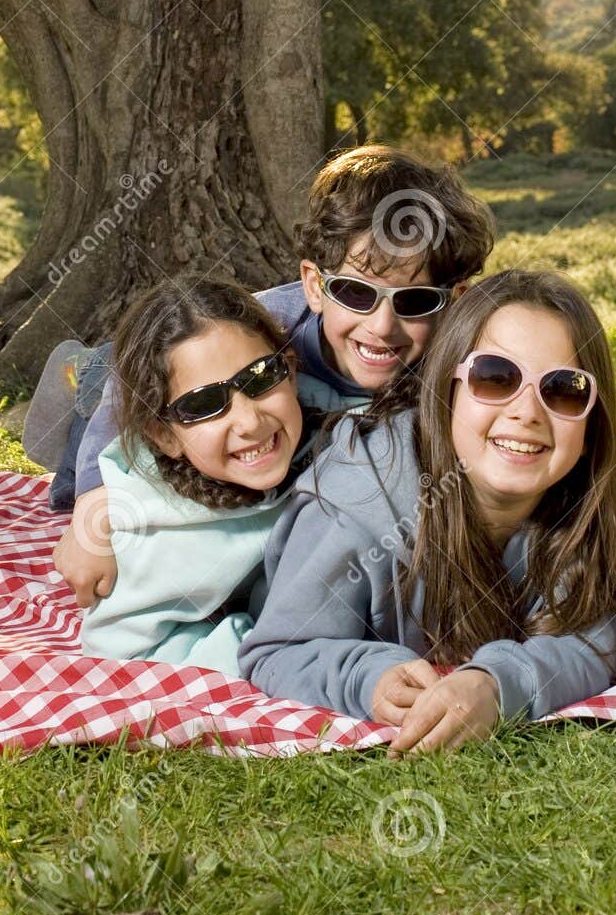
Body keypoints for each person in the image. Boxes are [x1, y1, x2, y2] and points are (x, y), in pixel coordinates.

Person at [38, 143, 497, 607]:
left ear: (454, 300)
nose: (381, 327)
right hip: (138, 380)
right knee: (108, 403)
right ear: (315, 286)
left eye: (414, 302)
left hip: (279, 424)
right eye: (357, 294)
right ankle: (81, 374)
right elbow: (132, 381)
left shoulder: (462, 359)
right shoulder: (275, 324)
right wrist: (90, 510)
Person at [239, 270, 616, 754]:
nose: (528, 413)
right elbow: (279, 649)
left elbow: (592, 637)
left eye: (564, 389)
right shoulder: (359, 504)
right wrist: (369, 679)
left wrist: (498, 686)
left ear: (591, 423)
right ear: (446, 391)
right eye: (495, 378)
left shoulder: (577, 499)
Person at [77, 278, 318, 678]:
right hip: (107, 432)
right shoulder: (154, 532)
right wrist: (258, 642)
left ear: (290, 369)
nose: (249, 420)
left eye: (259, 376)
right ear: (166, 435)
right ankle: (83, 374)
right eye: (204, 404)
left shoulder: (325, 415)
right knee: (82, 428)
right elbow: (116, 653)